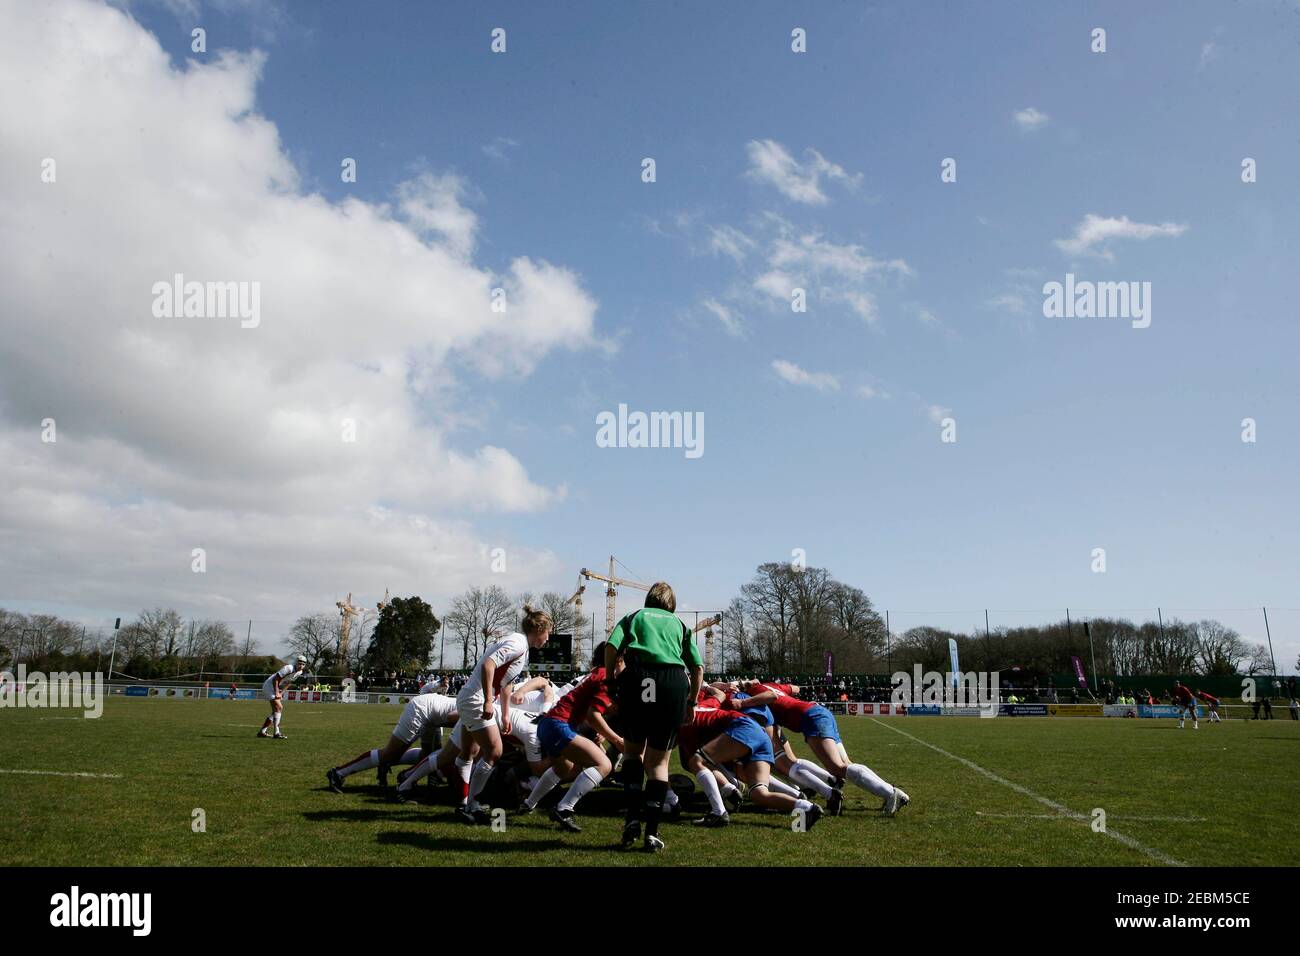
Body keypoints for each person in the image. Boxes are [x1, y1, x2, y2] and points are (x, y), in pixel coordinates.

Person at [605, 581, 704, 853]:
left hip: (637, 679)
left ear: (649, 599)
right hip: (672, 683)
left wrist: (610, 680)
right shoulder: (681, 625)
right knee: (659, 764)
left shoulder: (634, 617)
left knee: (632, 754)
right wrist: (692, 702)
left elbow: (611, 648)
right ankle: (652, 832)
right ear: (671, 604)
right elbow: (697, 667)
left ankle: (631, 819)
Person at [733, 678, 909, 815]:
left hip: (810, 717)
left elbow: (770, 697)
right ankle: (889, 791)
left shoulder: (753, 690)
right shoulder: (771, 685)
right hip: (819, 712)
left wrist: (743, 702)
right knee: (846, 764)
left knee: (837, 767)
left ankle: (891, 793)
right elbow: (795, 688)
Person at [456, 606, 552, 824]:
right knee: (494, 751)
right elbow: (489, 665)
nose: (547, 639)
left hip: (471, 698)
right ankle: (471, 805)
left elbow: (506, 684)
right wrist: (489, 700)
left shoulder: (521, 646)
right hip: (475, 700)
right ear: (539, 629)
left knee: (469, 752)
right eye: (547, 634)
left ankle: (464, 803)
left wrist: (506, 714)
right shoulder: (518, 644)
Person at [522, 643, 622, 831]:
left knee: (563, 767)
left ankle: (528, 803)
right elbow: (593, 716)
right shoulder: (605, 677)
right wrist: (616, 740)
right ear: (618, 660)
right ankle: (564, 808)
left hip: (549, 723)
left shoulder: (595, 673)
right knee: (604, 765)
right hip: (559, 725)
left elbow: (589, 707)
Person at [326, 690, 458, 792]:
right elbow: (452, 716)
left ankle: (411, 776)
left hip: (434, 712)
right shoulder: (477, 707)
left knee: (429, 754)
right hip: (423, 709)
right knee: (390, 754)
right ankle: (338, 773)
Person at [257, 655, 308, 739]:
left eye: (303, 664)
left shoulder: (299, 672)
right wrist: (277, 692)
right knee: (279, 707)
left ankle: (262, 732)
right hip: (269, 686)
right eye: (299, 663)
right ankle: (276, 733)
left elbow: (289, 683)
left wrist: (281, 693)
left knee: (275, 711)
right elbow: (275, 679)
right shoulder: (289, 668)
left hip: (274, 687)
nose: (301, 665)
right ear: (296, 662)